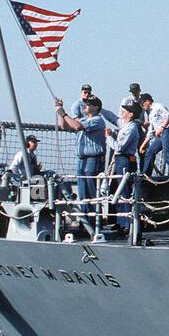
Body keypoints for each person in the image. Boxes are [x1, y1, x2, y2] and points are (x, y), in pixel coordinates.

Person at [54, 94, 108, 234]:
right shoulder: (84, 119)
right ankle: (86, 224)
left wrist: (64, 113)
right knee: (83, 193)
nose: (85, 106)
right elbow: (65, 125)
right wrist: (60, 111)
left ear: (96, 107)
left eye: (88, 104)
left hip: (93, 159)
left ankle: (94, 224)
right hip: (82, 159)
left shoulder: (97, 120)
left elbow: (77, 126)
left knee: (91, 192)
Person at [108, 102, 143, 232]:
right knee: (120, 191)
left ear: (131, 114)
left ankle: (129, 223)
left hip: (125, 160)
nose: (122, 112)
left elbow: (119, 147)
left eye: (125, 111)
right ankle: (122, 221)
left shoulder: (131, 128)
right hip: (122, 160)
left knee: (125, 191)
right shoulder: (127, 126)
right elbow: (111, 116)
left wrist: (109, 137)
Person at [140, 93, 169, 176]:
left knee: (167, 156)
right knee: (150, 153)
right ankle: (146, 174)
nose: (142, 106)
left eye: (143, 104)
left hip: (167, 131)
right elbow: (151, 130)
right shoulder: (150, 114)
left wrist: (162, 128)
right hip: (159, 135)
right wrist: (143, 145)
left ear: (147, 101)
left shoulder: (158, 106)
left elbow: (168, 117)